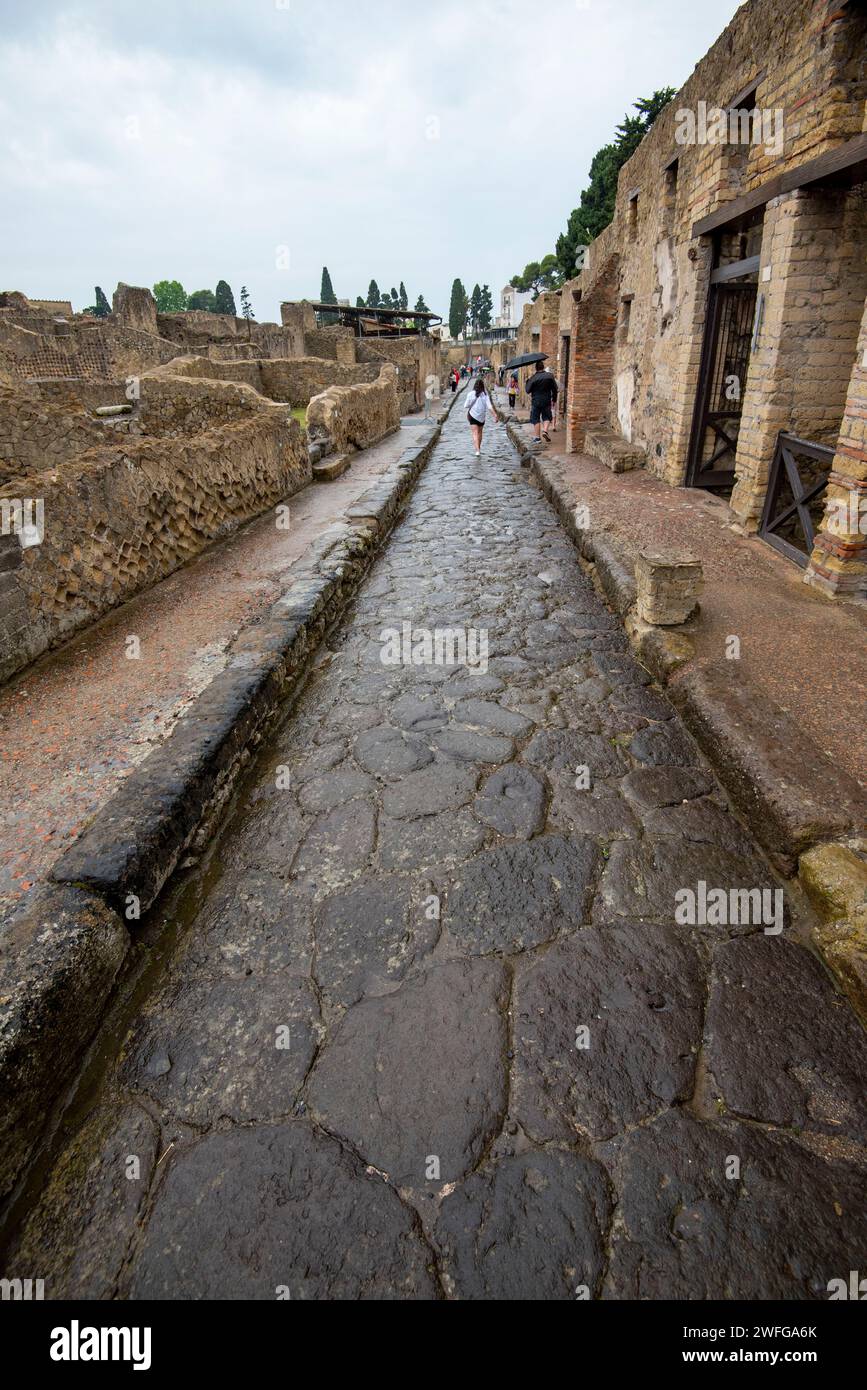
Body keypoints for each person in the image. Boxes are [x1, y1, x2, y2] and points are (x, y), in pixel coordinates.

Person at [525, 363, 558, 443]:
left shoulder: (533, 378)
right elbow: (555, 389)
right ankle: (545, 431)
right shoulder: (550, 376)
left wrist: (528, 381)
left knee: (535, 418)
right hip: (546, 400)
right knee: (547, 416)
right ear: (543, 367)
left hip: (536, 401)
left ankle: (537, 438)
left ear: (536, 368)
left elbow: (527, 390)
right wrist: (554, 399)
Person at [466, 376, 492, 456]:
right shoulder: (485, 395)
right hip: (481, 417)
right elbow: (490, 407)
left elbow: (466, 405)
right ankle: (479, 448)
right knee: (480, 432)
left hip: (472, 416)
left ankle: (477, 450)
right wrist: (495, 415)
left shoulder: (470, 394)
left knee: (474, 433)